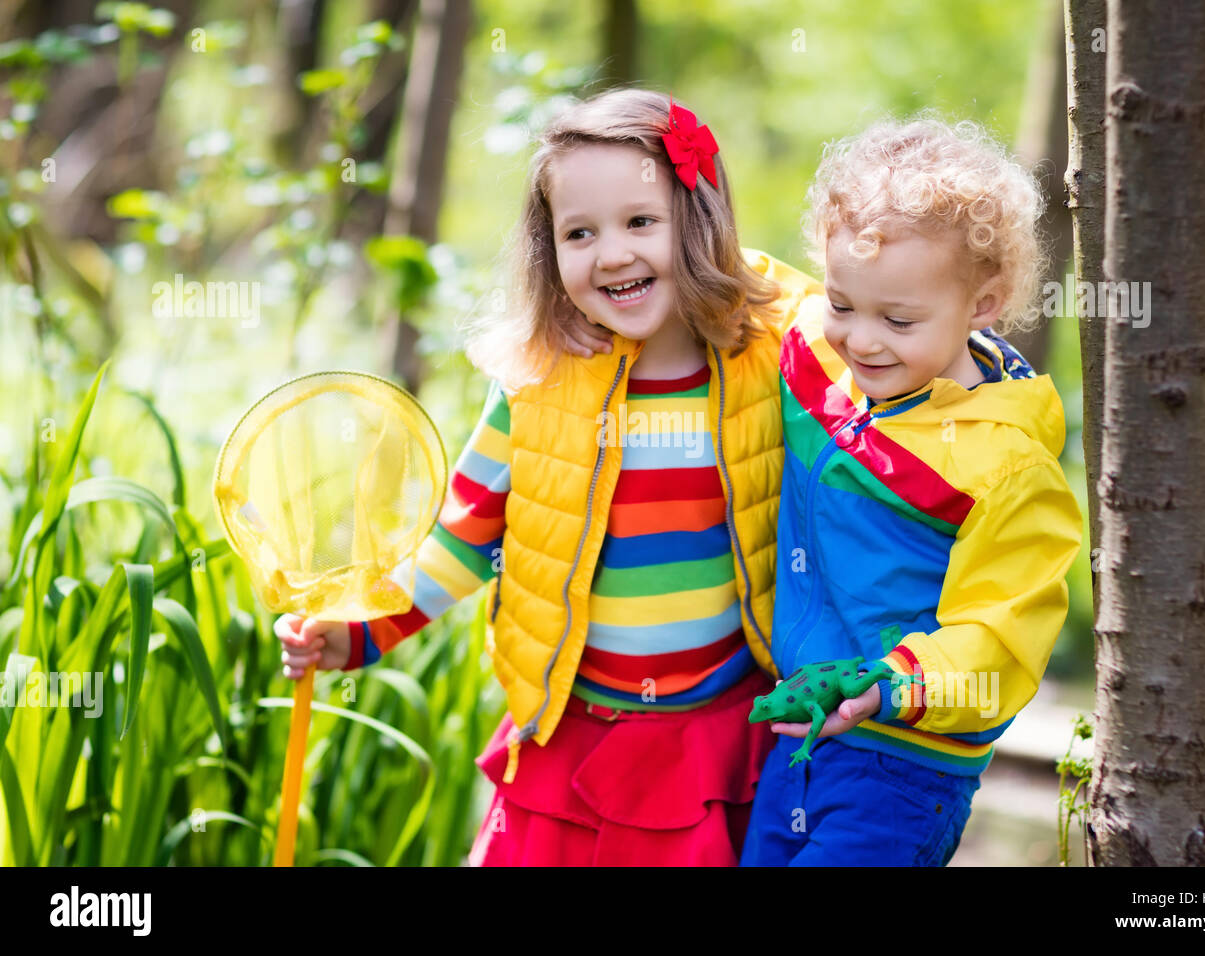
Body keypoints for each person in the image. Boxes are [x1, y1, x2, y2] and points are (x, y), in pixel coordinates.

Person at [274, 88, 823, 865]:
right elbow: (465, 537)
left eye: (641, 222)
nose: (612, 254)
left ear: (697, 222)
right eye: (580, 233)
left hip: (710, 738)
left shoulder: (767, 357)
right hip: (570, 732)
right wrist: (360, 630)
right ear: (550, 249)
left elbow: (875, 402)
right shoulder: (539, 385)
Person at [740, 116, 1083, 866]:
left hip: (901, 768)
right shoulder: (817, 356)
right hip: (798, 736)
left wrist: (889, 687)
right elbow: (744, 283)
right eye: (843, 303)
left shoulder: (1005, 468)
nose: (861, 339)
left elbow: (1002, 633)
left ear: (984, 306)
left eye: (898, 319)